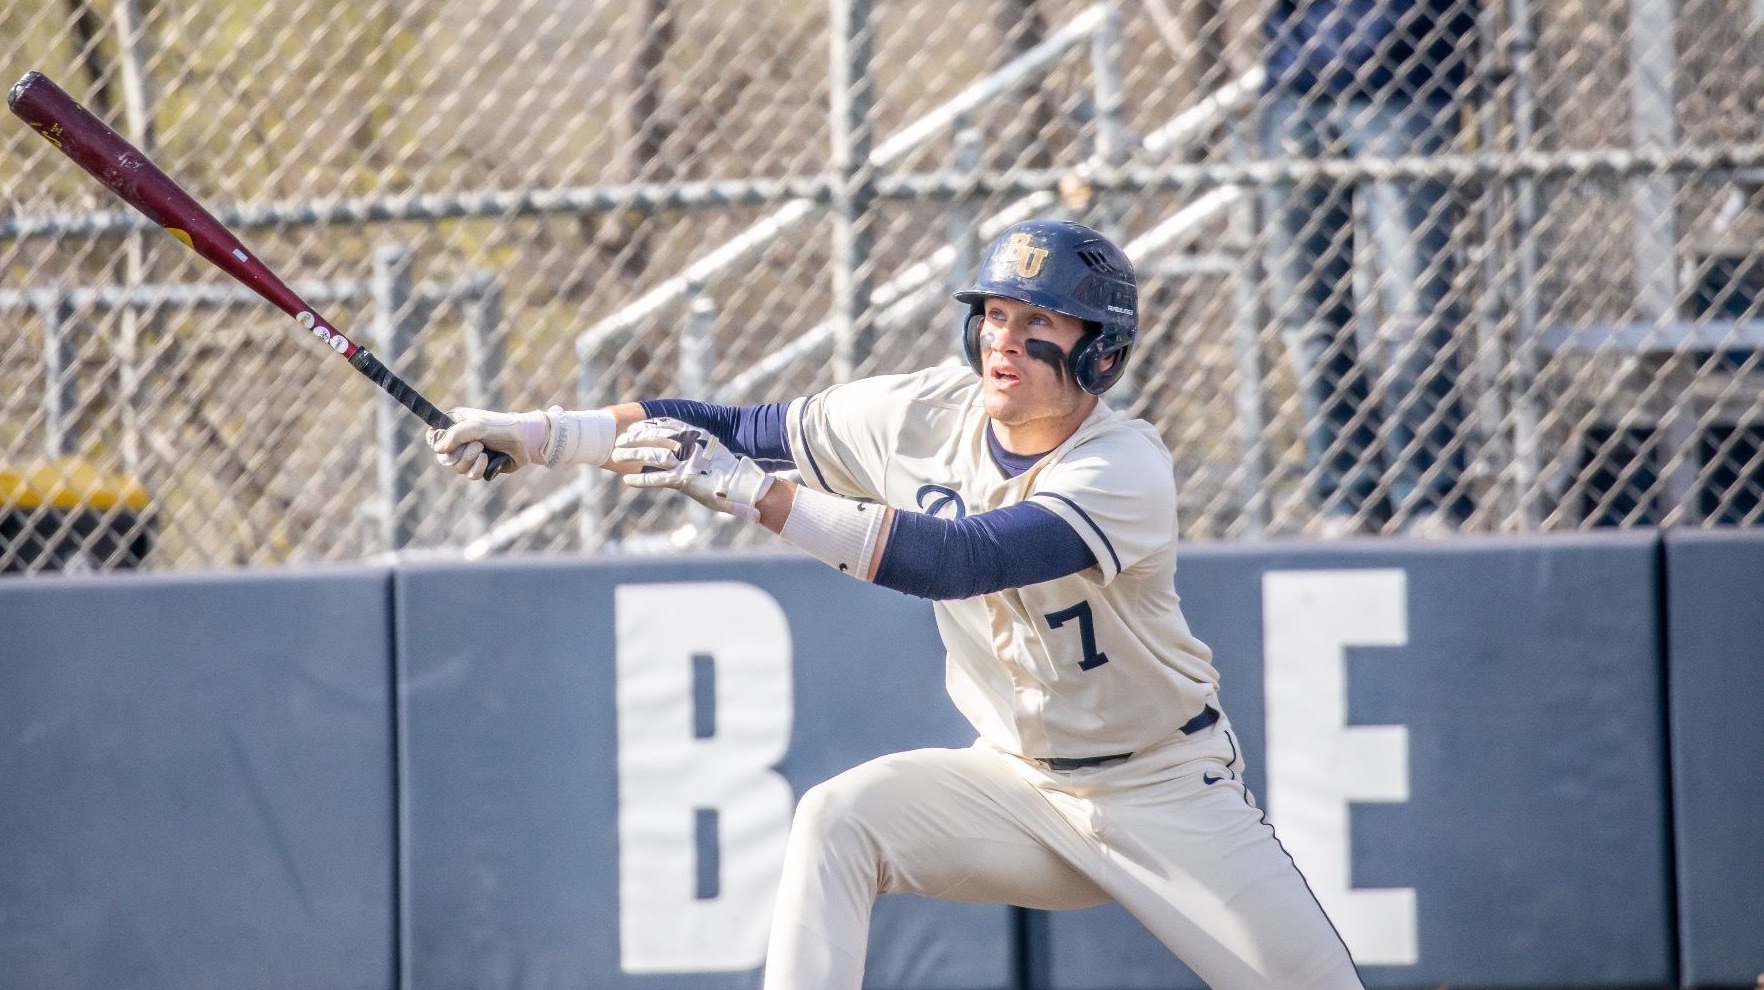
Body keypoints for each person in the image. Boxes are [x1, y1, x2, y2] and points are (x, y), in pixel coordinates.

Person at [428, 220, 1362, 989]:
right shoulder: (919, 413)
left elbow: (959, 560)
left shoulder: (1123, 466)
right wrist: (542, 435)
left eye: (1038, 320)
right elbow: (729, 426)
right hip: (1017, 785)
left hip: (1159, 786)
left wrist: (754, 495)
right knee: (839, 818)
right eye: (994, 313)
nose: (1003, 337)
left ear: (1101, 352)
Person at [1251, 0, 1492, 533]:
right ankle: (1346, 496)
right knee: (1310, 314)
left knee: (1414, 311)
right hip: (1297, 94)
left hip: (1407, 88)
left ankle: (1429, 498)